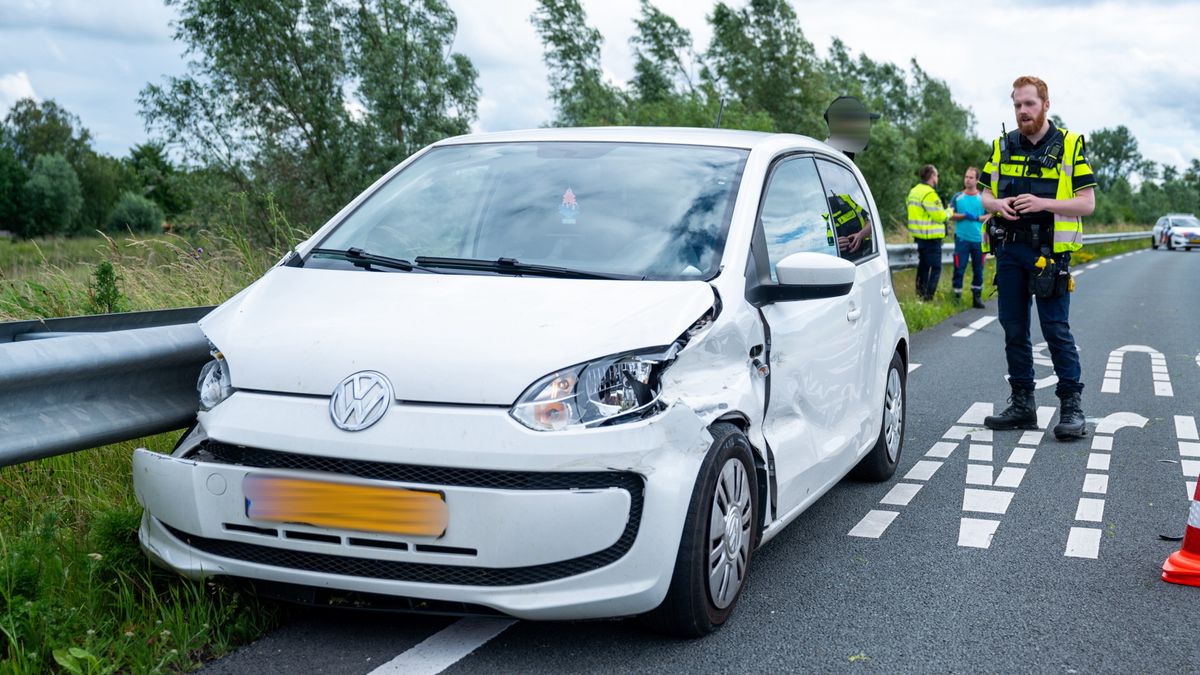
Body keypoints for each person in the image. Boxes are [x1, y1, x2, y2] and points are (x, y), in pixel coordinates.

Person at [979, 75, 1096, 440]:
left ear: (1046, 104)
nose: (1022, 111)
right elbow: (984, 195)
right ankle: (1022, 405)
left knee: (1055, 330)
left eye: (1029, 103)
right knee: (1013, 328)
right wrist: (996, 204)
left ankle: (1072, 408)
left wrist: (1043, 203)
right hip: (1010, 248)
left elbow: (1087, 203)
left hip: (1049, 252)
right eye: (1017, 104)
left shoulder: (1069, 145)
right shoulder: (1003, 144)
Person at [906, 165, 948, 300]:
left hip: (919, 237)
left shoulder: (913, 191)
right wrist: (950, 211)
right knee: (935, 268)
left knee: (923, 267)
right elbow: (940, 216)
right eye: (937, 175)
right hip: (931, 237)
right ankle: (928, 298)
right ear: (932, 177)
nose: (937, 178)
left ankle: (920, 295)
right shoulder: (929, 193)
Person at [949, 167, 988, 308]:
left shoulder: (983, 198)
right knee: (959, 268)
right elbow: (949, 214)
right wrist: (964, 215)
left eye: (971, 177)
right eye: (966, 177)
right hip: (962, 239)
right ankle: (956, 298)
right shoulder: (957, 197)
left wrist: (977, 217)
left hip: (978, 240)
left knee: (978, 270)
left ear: (977, 180)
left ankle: (976, 297)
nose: (967, 180)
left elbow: (990, 215)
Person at [828, 191, 871, 261]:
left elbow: (870, 223)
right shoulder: (811, 215)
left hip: (867, 253)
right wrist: (832, 246)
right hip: (838, 263)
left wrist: (861, 234)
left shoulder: (845, 198)